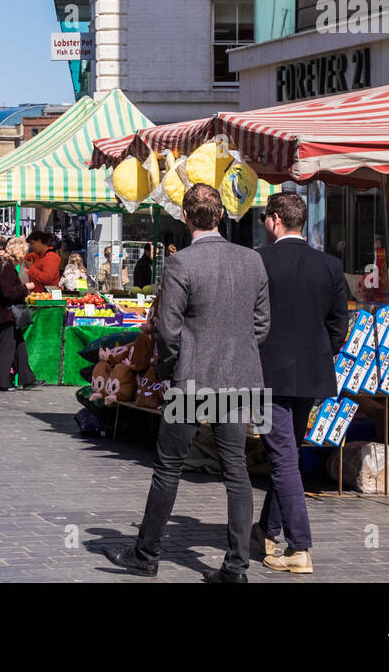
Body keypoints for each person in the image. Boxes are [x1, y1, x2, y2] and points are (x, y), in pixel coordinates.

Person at [106, 184, 270, 582]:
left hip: (193, 380)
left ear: (185, 216)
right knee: (236, 469)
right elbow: (261, 326)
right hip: (239, 379)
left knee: (169, 467)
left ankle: (146, 553)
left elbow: (168, 330)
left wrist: (172, 367)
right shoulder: (252, 261)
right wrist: (237, 351)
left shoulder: (182, 264)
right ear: (221, 215)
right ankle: (235, 566)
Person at [255, 192, 349, 575]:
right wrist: (316, 353)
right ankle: (265, 529)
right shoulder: (329, 265)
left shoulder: (260, 261)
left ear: (276, 220)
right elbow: (338, 326)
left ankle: (299, 546)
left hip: (268, 374)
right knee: (288, 452)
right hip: (309, 375)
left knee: (281, 457)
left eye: (265, 218)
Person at [0, 237, 39, 390]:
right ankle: (0, 382)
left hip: (8, 314)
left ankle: (27, 378)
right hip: (6, 314)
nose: (25, 256)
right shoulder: (7, 270)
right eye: (23, 253)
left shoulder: (6, 268)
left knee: (19, 346)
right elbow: (8, 292)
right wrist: (25, 287)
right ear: (18, 254)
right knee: (6, 348)